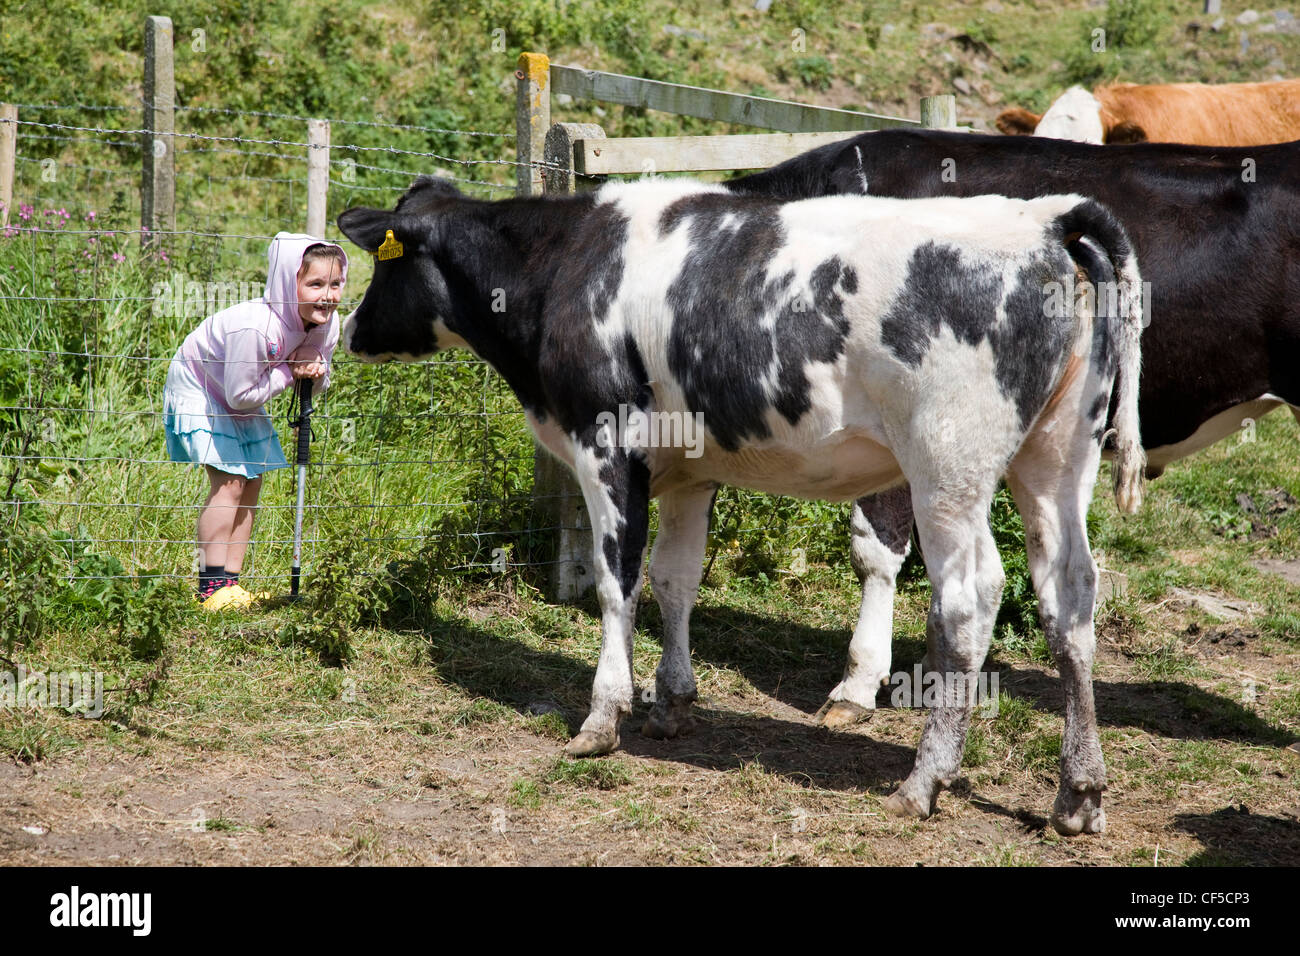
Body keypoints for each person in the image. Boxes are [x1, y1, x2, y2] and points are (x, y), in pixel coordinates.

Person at [163, 233, 348, 610]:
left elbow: (316, 377)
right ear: (287, 282)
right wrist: (288, 373)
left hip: (244, 386)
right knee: (229, 481)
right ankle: (209, 590)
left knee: (252, 480)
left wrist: (313, 372)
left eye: (335, 284)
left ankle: (232, 586)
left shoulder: (327, 323)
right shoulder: (256, 327)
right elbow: (239, 396)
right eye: (315, 284)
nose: (327, 295)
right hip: (203, 386)